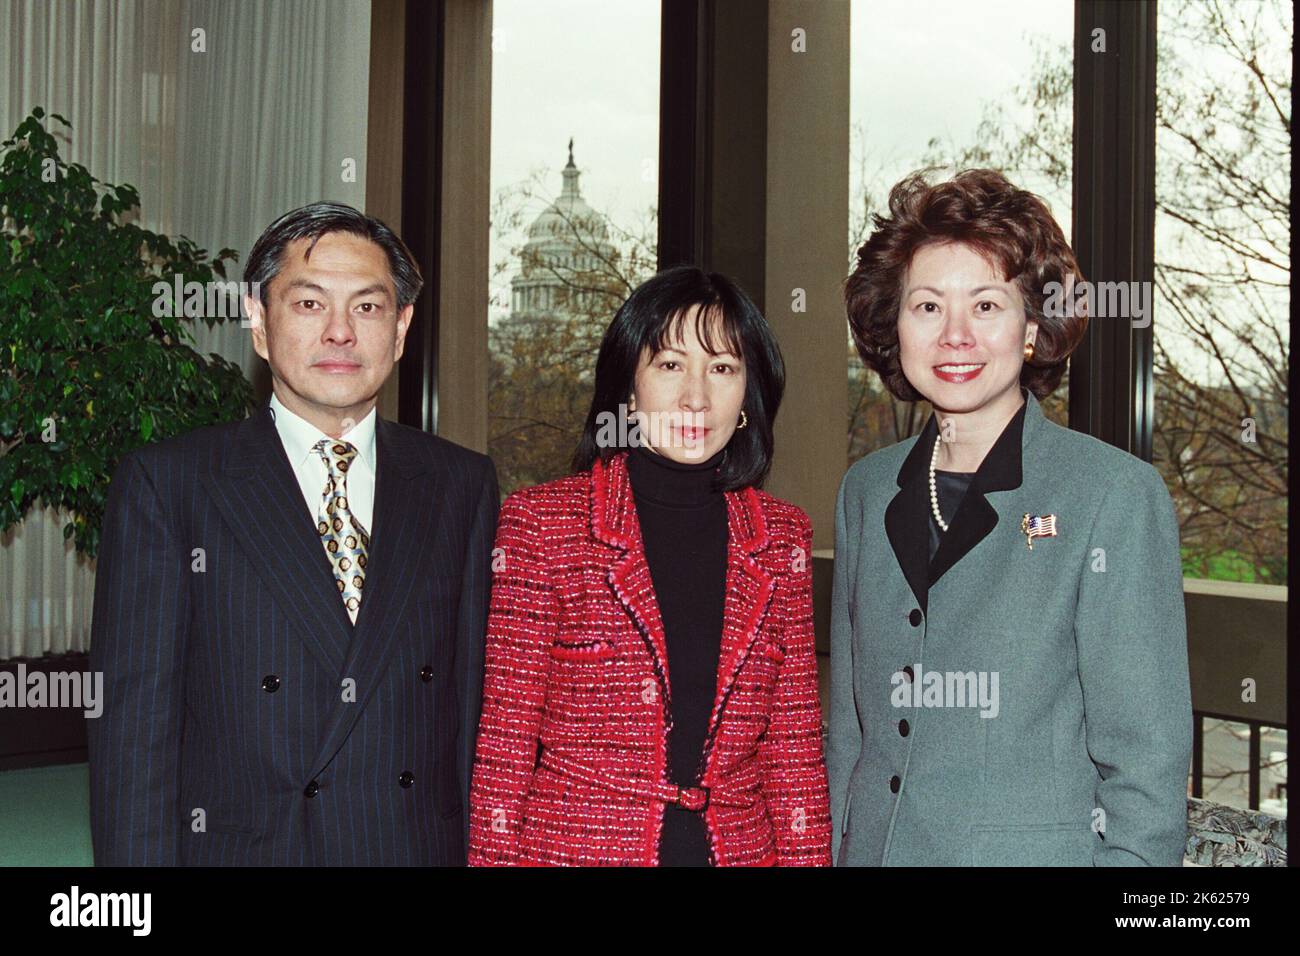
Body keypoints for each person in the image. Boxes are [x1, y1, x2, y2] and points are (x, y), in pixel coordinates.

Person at [87, 202, 498, 865]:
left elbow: (472, 714)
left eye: (367, 308)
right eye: (309, 304)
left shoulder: (461, 485)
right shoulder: (172, 484)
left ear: (400, 329)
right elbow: (134, 739)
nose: (340, 332)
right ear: (258, 321)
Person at [829, 169, 1192, 866]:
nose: (955, 335)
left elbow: (1145, 768)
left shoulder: (1112, 496)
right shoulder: (866, 492)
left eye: (987, 305)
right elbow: (852, 733)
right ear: (893, 326)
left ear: (1032, 325)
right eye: (928, 307)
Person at [467, 266, 831, 866]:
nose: (697, 396)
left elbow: (792, 754)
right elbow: (505, 746)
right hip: (576, 848)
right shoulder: (542, 524)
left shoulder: (782, 536)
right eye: (670, 365)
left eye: (722, 368)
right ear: (628, 388)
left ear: (748, 393)